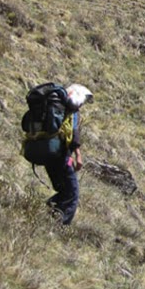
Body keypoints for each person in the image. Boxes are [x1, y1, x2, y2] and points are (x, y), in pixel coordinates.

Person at [44, 84, 91, 225]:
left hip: (48, 153)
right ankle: (60, 226)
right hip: (61, 156)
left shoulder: (56, 108)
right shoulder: (71, 112)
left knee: (65, 192)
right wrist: (78, 155)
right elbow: (74, 135)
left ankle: (44, 214)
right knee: (72, 193)